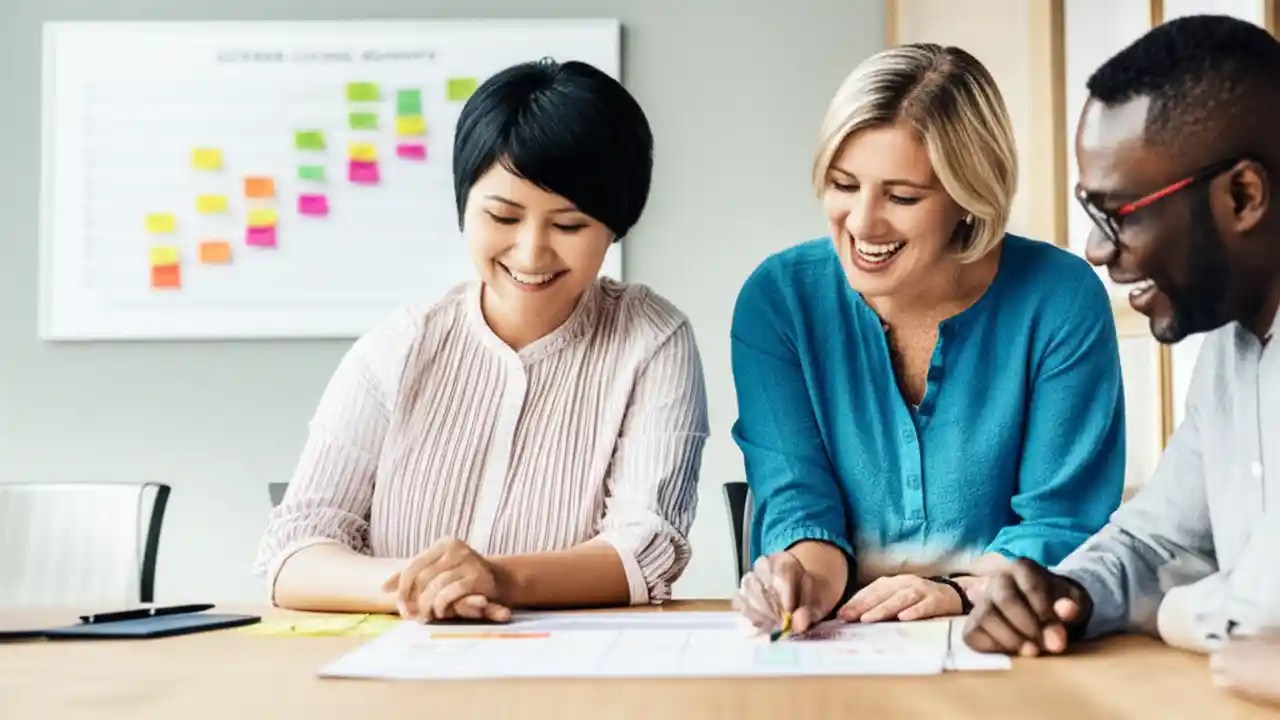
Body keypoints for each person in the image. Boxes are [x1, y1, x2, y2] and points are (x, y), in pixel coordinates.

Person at [254, 59, 709, 622]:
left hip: (569, 663)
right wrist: (423, 590)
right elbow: (294, 552)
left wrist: (499, 579)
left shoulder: (652, 341)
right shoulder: (400, 346)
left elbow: (646, 549)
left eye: (568, 225)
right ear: (464, 206)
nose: (531, 252)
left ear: (616, 224)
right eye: (503, 217)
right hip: (402, 658)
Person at [730, 44, 1125, 636]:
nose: (862, 222)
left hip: (1008, 629)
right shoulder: (779, 300)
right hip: (843, 639)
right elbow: (798, 500)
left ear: (969, 198)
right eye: (843, 185)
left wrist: (956, 593)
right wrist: (802, 581)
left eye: (902, 197)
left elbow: (1062, 521)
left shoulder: (1061, 299)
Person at [963, 14, 1280, 658]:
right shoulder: (1230, 347)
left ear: (1243, 196)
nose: (1096, 249)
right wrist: (1066, 592)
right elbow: (1159, 541)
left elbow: (1264, 614)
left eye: (1118, 214)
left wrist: (1175, 611)